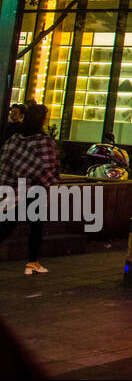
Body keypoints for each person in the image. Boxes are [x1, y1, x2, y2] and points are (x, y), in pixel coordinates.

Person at [0, 103, 60, 274]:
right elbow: (48, 165)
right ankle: (32, 261)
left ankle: (33, 261)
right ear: (41, 119)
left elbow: (6, 162)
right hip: (33, 189)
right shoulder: (43, 141)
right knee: (31, 225)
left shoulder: (15, 139)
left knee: (14, 224)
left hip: (15, 188)